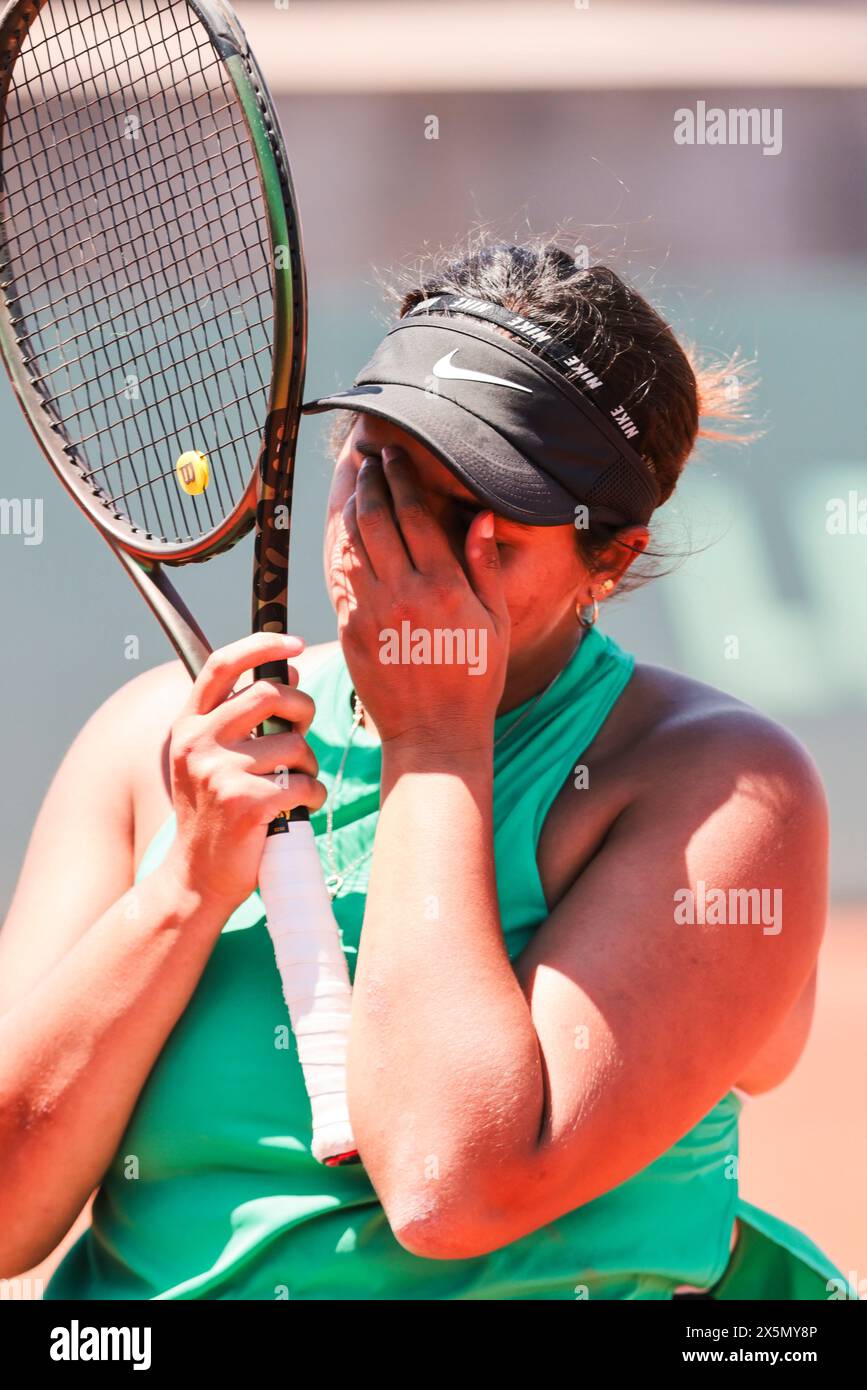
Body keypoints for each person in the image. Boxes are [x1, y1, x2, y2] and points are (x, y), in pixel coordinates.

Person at [0, 241, 854, 1300]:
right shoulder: (148, 747)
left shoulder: (726, 789)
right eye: (383, 463)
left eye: (473, 510)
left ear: (612, 557)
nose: (393, 534)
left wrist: (434, 739)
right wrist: (182, 891)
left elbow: (456, 1191)